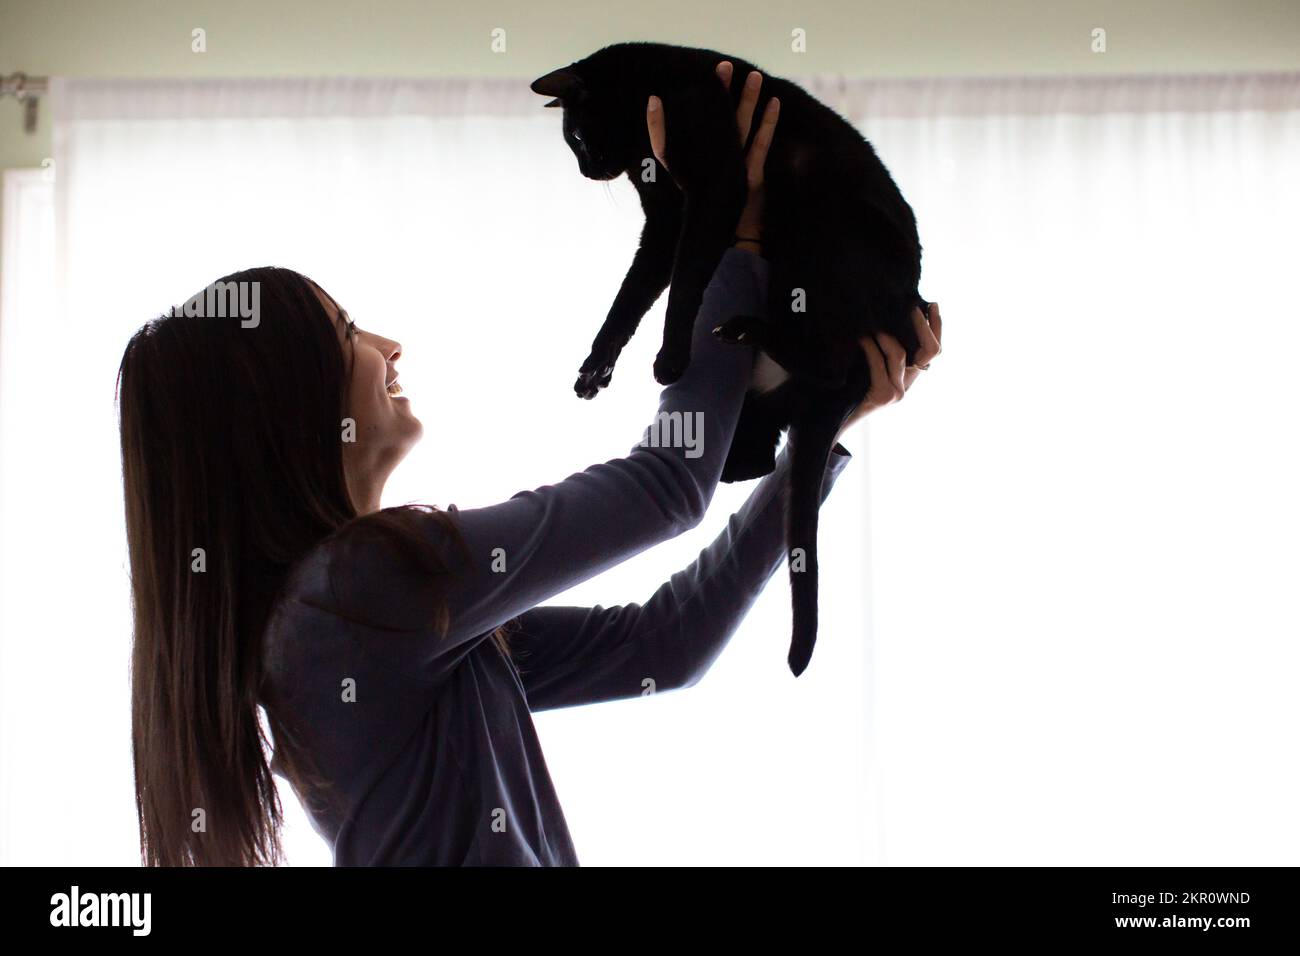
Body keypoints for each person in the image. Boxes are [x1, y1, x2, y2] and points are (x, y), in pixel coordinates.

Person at [117, 61, 942, 866]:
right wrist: (735, 241)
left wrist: (822, 428)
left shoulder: (355, 620)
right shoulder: (355, 595)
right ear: (285, 409)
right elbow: (667, 489)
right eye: (347, 335)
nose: (386, 345)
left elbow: (662, 648)